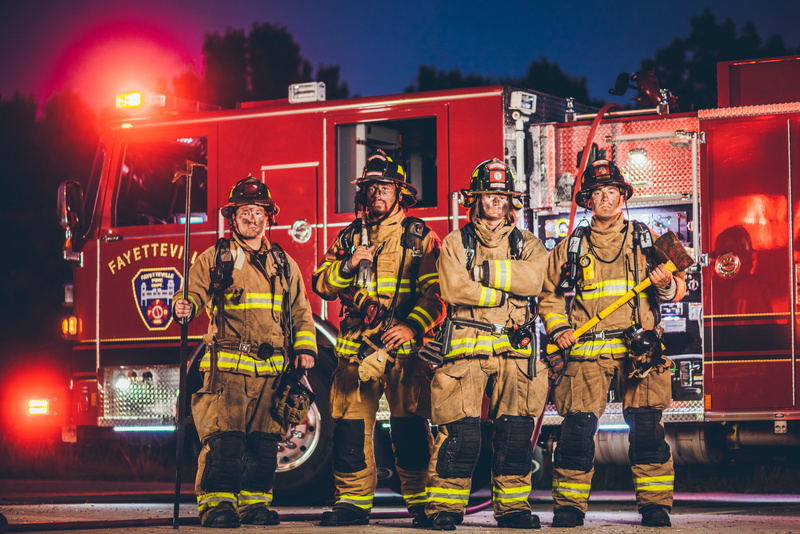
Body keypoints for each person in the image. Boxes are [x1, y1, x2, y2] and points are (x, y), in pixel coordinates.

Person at [538, 159, 686, 528]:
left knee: (648, 430)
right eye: (597, 193)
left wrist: (665, 282)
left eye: (612, 192)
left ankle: (655, 506)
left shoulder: (646, 238)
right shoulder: (571, 247)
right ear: (588, 201)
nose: (605, 198)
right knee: (576, 432)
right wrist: (558, 330)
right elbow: (548, 295)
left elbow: (678, 285)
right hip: (588, 351)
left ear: (622, 197)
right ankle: (569, 507)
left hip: (641, 352)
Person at [174, 176, 317, 528]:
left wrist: (305, 347)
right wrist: (185, 307)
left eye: (258, 212)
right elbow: (193, 294)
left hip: (271, 374)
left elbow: (301, 310)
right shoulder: (216, 258)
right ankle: (216, 506)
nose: (252, 218)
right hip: (228, 372)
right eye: (245, 212)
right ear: (232, 217)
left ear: (268, 216)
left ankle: (253, 505)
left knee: (264, 446)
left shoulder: (283, 263)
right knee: (224, 443)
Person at [312, 149, 445, 527]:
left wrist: (410, 328)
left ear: (399, 192)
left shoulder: (420, 236)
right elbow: (321, 283)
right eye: (371, 188)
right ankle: (353, 503)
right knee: (351, 430)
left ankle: (420, 504)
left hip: (403, 351)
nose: (377, 194)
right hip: (356, 351)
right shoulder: (350, 238)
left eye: (384, 187)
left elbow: (436, 297)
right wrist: (349, 264)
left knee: (409, 430)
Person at [424, 159, 549, 531]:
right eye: (488, 195)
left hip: (514, 353)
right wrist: (501, 294)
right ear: (475, 200)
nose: (495, 202)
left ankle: (512, 508)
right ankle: (444, 508)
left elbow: (534, 281)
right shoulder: (453, 242)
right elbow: (452, 288)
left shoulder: (528, 243)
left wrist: (483, 273)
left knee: (514, 433)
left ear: (511, 201)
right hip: (466, 350)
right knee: (460, 433)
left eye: (501, 195)